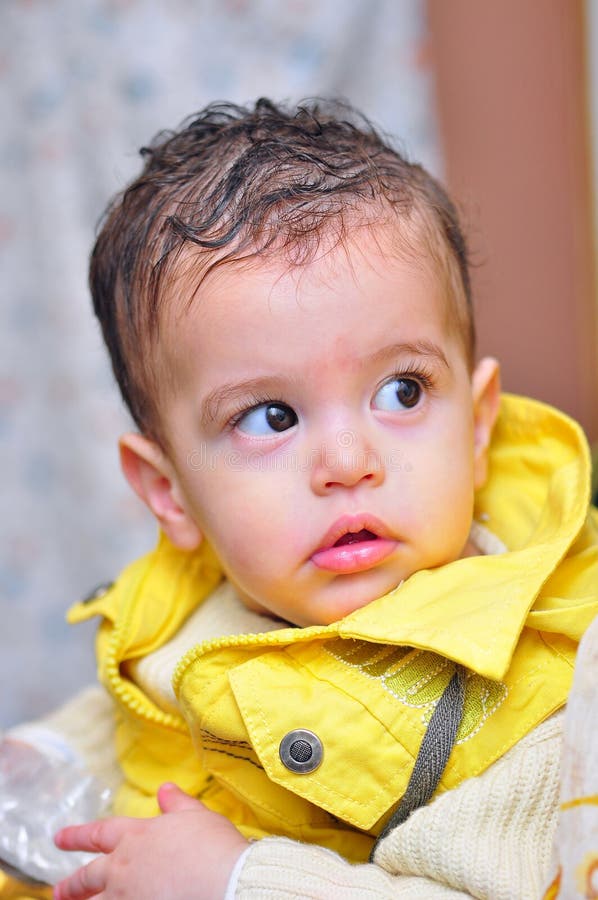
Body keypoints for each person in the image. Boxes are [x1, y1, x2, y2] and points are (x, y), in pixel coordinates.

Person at [1, 99, 597, 900]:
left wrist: (239, 881)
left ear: (479, 424)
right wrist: (48, 758)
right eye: (270, 417)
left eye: (402, 389)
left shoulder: (534, 695)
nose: (349, 463)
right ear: (170, 492)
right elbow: (156, 701)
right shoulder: (207, 596)